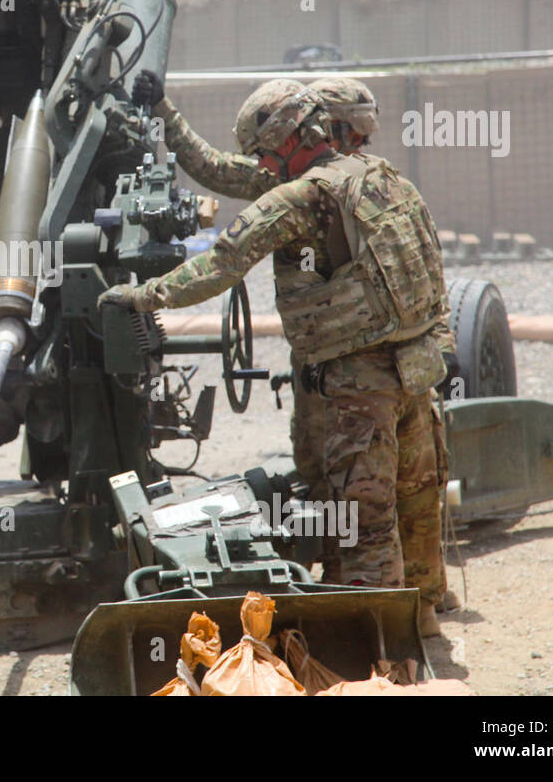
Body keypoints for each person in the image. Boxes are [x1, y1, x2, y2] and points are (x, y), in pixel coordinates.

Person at [100, 78, 455, 636]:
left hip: (355, 382)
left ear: (288, 140)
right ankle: (426, 612)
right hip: (413, 368)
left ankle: (379, 641)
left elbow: (222, 263)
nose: (262, 164)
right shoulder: (386, 179)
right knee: (416, 494)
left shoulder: (299, 198)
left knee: (362, 518)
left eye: (264, 152)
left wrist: (141, 296)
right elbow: (433, 275)